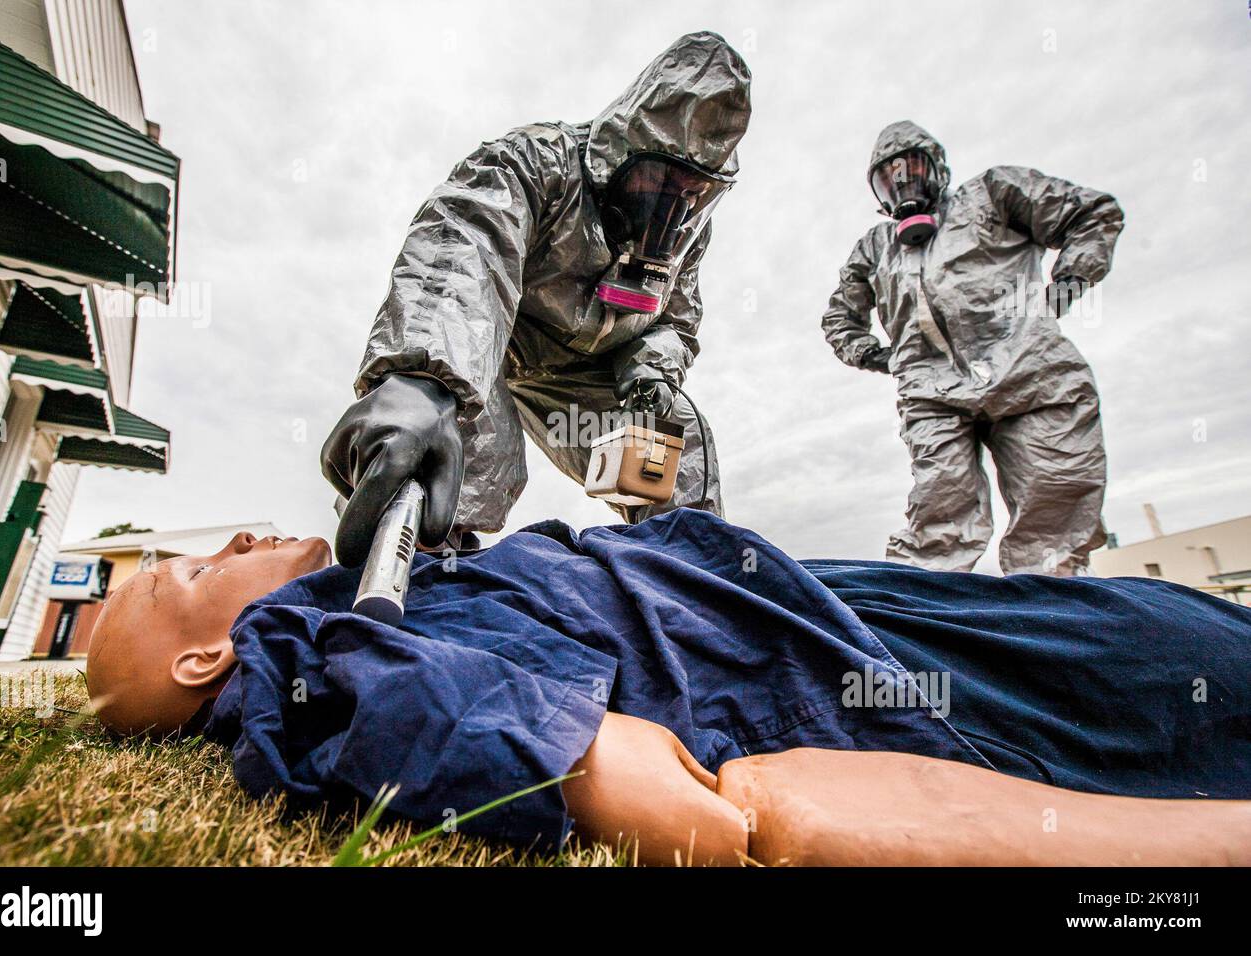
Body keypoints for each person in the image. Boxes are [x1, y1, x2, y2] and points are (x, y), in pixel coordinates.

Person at [85, 516, 1251, 866]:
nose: (234, 533)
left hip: (786, 606)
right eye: (193, 570)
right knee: (1162, 657)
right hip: (828, 668)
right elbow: (399, 712)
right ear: (206, 658)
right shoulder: (301, 651)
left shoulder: (365, 589)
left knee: (1170, 644)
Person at [321, 32, 751, 565]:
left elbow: (677, 322)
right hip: (492, 346)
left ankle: (685, 581)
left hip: (585, 377)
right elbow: (466, 249)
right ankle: (416, 564)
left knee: (673, 434)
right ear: (624, 151)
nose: (674, 206)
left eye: (693, 192)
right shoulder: (535, 163)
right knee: (455, 432)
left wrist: (650, 370)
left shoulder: (685, 236)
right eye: (662, 180)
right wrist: (421, 376)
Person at [822, 120, 1125, 575]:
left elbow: (1093, 213)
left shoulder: (993, 194)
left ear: (937, 169)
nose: (902, 182)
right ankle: (923, 624)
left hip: (1032, 377)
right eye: (888, 177)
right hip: (931, 396)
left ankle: (1048, 622)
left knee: (1054, 505)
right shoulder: (875, 248)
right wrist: (873, 354)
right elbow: (840, 317)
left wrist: (1068, 282)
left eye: (912, 168)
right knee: (938, 516)